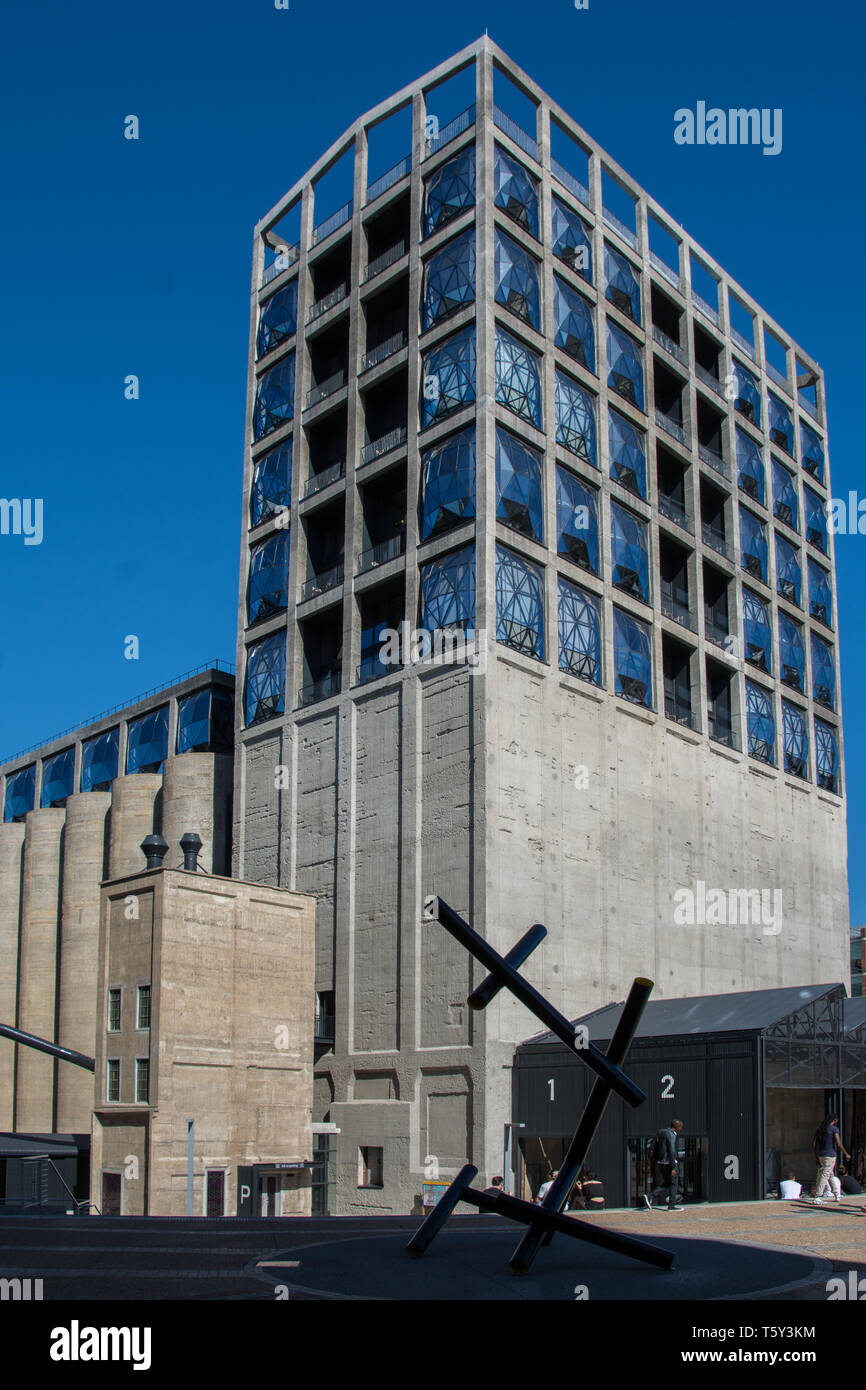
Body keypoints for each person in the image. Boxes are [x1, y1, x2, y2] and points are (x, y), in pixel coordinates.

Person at [644, 1120, 684, 1210]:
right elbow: (671, 1150)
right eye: (680, 1127)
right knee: (674, 1183)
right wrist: (673, 1167)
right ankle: (672, 1205)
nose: (681, 1129)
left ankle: (650, 1195)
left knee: (668, 1182)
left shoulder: (662, 1132)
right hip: (670, 1162)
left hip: (661, 1162)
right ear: (676, 1126)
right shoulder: (671, 1134)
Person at [812, 1113, 850, 1204]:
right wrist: (846, 1154)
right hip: (830, 1155)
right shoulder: (834, 1129)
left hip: (821, 1155)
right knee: (825, 1175)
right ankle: (818, 1196)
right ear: (835, 1120)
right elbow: (839, 1144)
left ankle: (837, 1194)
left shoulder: (819, 1129)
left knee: (830, 1175)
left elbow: (814, 1144)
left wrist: (815, 1156)